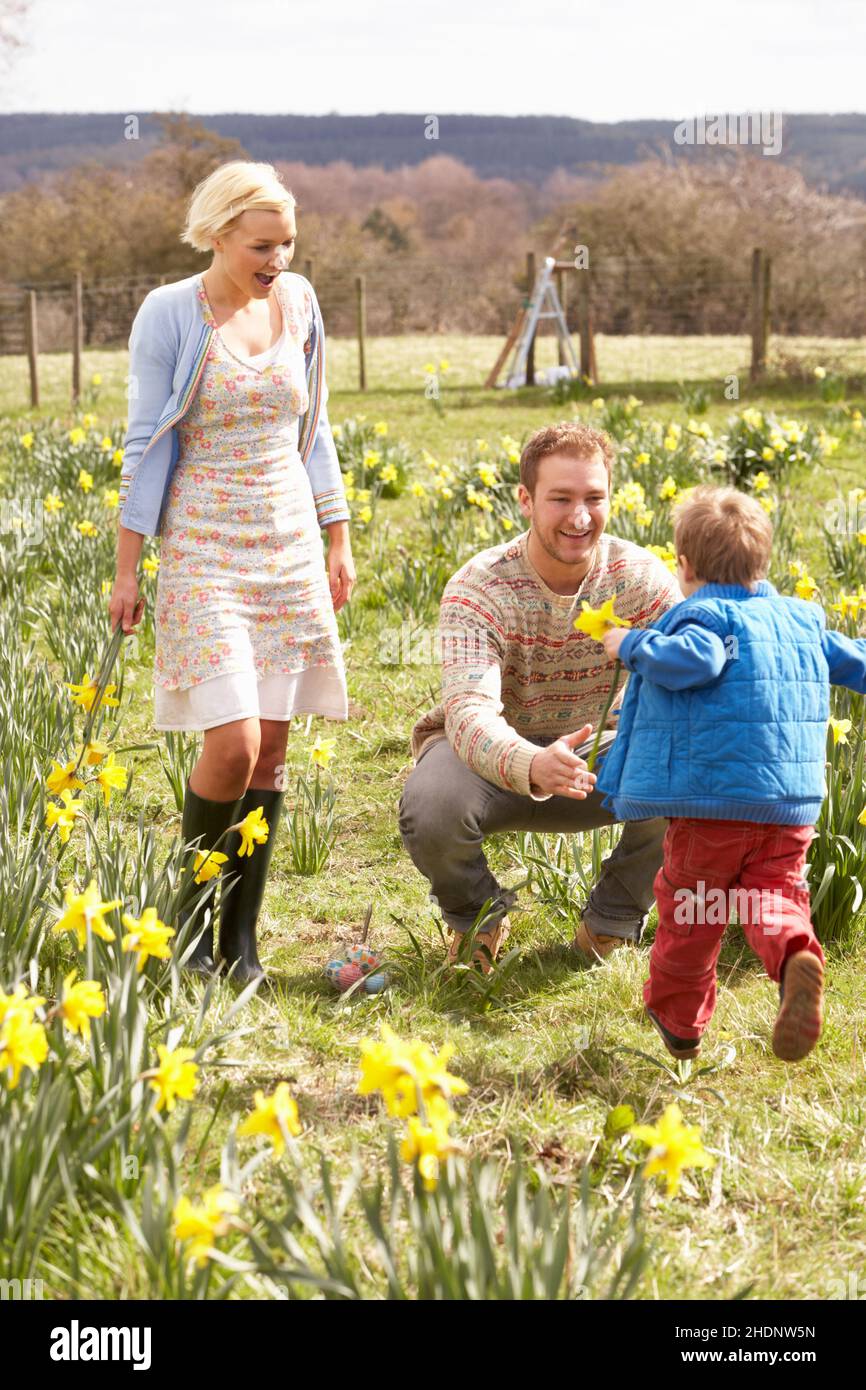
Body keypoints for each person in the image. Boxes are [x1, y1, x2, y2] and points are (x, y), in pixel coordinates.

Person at [109, 160, 355, 984]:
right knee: (234, 742)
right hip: (205, 547)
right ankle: (187, 932)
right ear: (217, 235)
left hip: (288, 545)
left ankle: (238, 944)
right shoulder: (170, 313)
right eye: (261, 245)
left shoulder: (302, 303)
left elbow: (316, 427)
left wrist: (338, 536)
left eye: (286, 244)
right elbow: (146, 441)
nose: (277, 259)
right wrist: (127, 570)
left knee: (273, 749)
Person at [596, 483, 866, 1062]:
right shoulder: (802, 621)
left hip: (711, 809)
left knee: (691, 911)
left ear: (685, 566)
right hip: (788, 809)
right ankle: (794, 955)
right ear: (761, 563)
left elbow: (696, 660)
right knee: (773, 895)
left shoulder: (705, 616)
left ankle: (680, 1021)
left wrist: (628, 643)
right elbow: (856, 662)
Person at [399, 421, 682, 971]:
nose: (580, 517)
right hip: (487, 765)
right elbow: (469, 712)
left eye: (594, 498)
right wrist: (531, 763)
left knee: (691, 764)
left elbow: (692, 676)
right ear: (526, 500)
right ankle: (478, 918)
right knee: (431, 806)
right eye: (561, 499)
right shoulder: (481, 586)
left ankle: (610, 922)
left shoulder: (640, 580)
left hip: (595, 761)